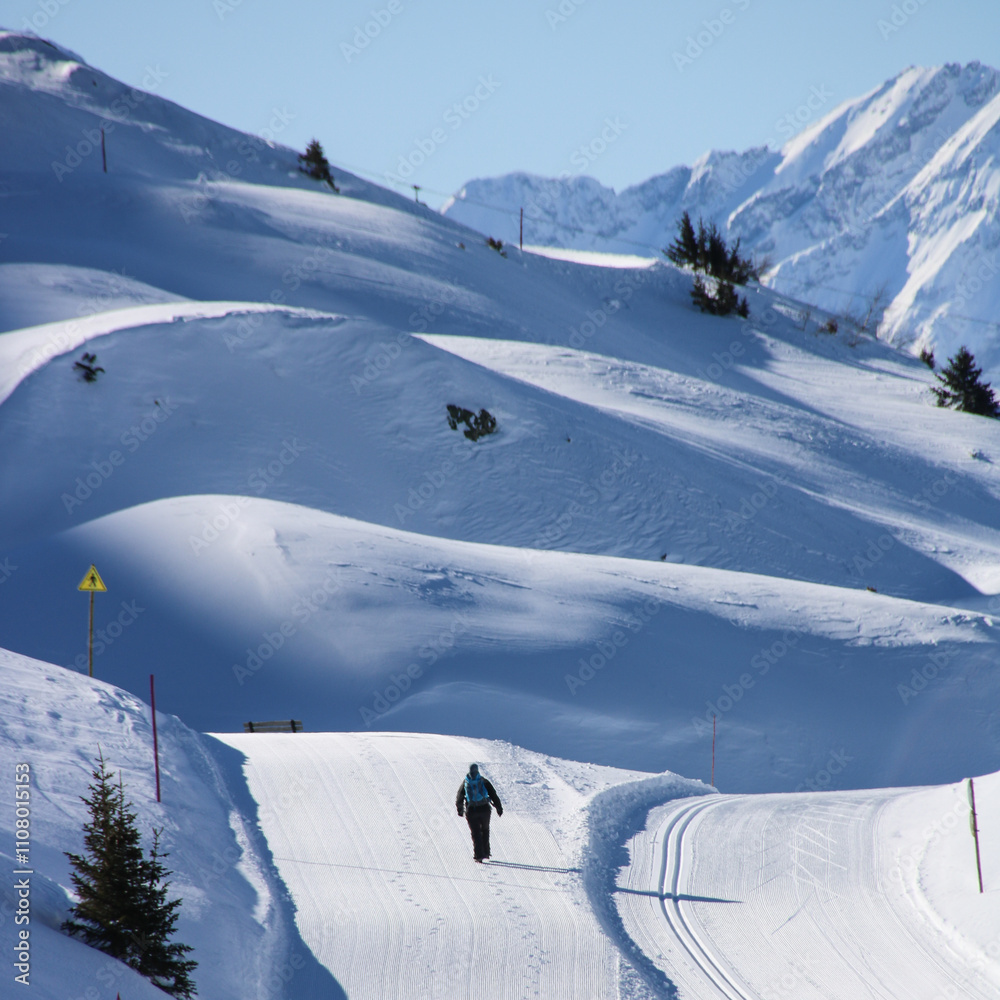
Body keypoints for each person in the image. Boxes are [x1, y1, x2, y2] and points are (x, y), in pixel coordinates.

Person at [455, 763, 503, 862]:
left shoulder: (466, 782)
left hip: (471, 811)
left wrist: (460, 809)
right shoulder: (484, 781)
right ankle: (486, 852)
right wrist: (499, 807)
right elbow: (493, 794)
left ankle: (478, 856)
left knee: (475, 833)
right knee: (485, 830)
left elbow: (459, 796)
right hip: (485, 809)